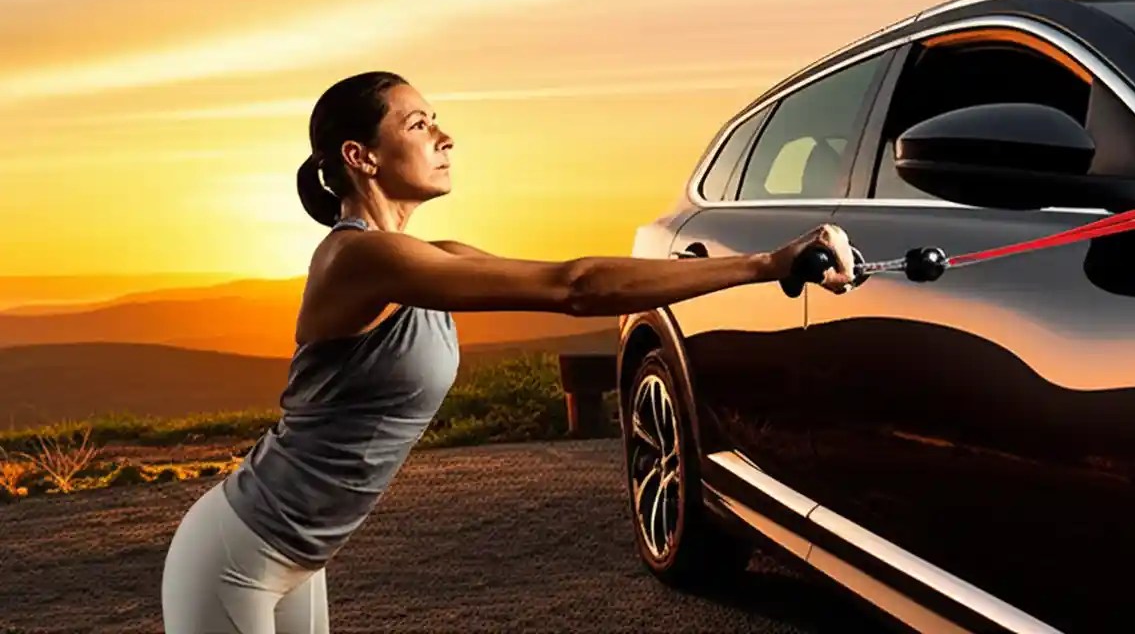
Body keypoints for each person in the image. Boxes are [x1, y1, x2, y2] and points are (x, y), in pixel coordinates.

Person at [159, 70, 857, 633]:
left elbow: (579, 281)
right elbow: (575, 288)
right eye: (418, 123)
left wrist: (761, 267)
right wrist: (764, 262)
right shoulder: (357, 261)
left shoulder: (432, 258)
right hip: (235, 558)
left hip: (300, 561)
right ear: (359, 156)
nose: (445, 135)